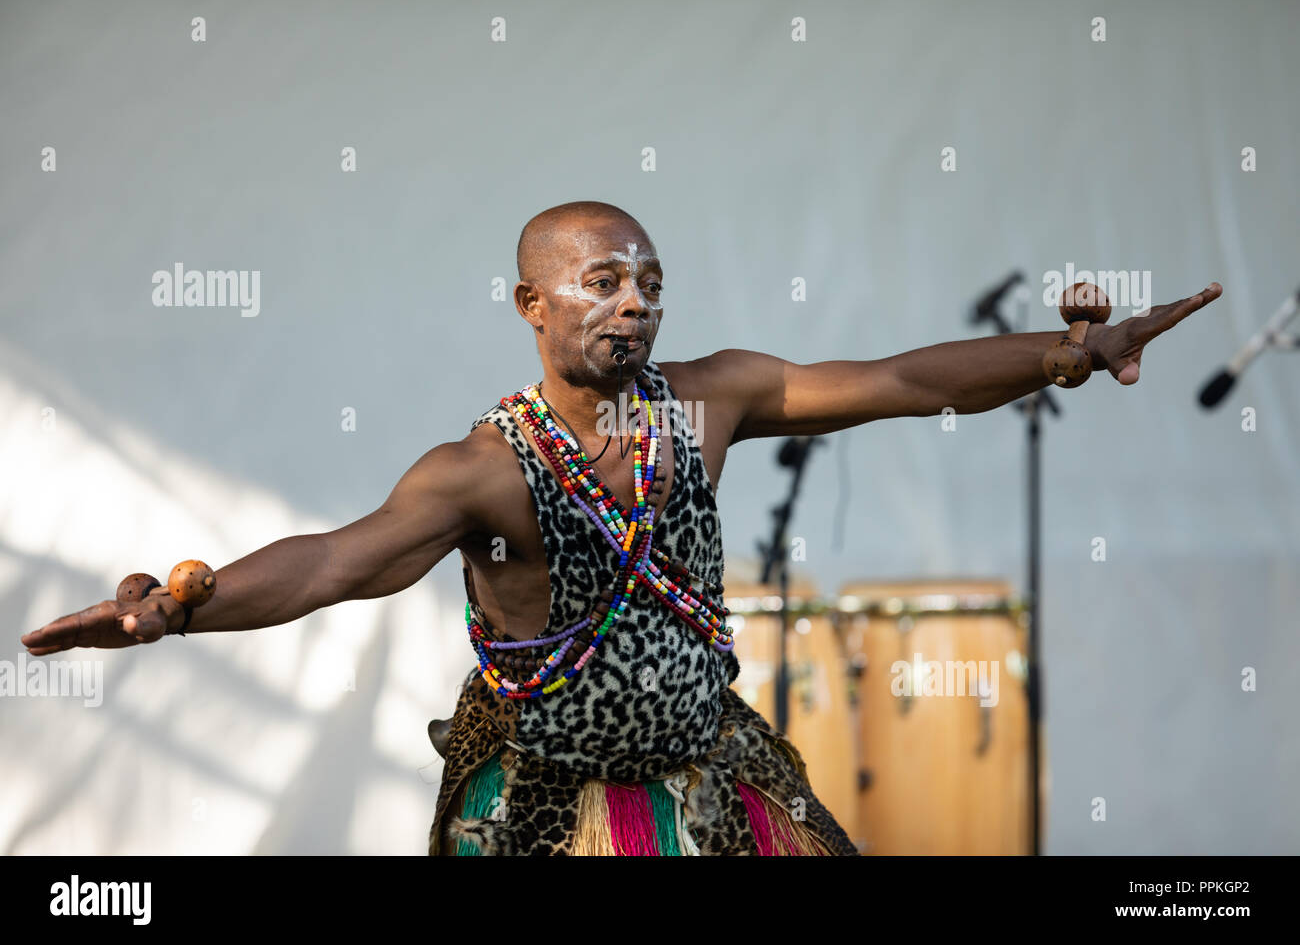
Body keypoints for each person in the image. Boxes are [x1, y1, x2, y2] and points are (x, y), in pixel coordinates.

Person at [21, 201, 1223, 855]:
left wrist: (1069, 352)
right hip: (549, 802)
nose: (635, 301)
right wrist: (179, 607)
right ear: (530, 304)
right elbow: (337, 561)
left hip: (710, 773)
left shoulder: (710, 399)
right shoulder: (482, 470)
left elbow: (903, 380)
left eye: (648, 281)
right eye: (602, 280)